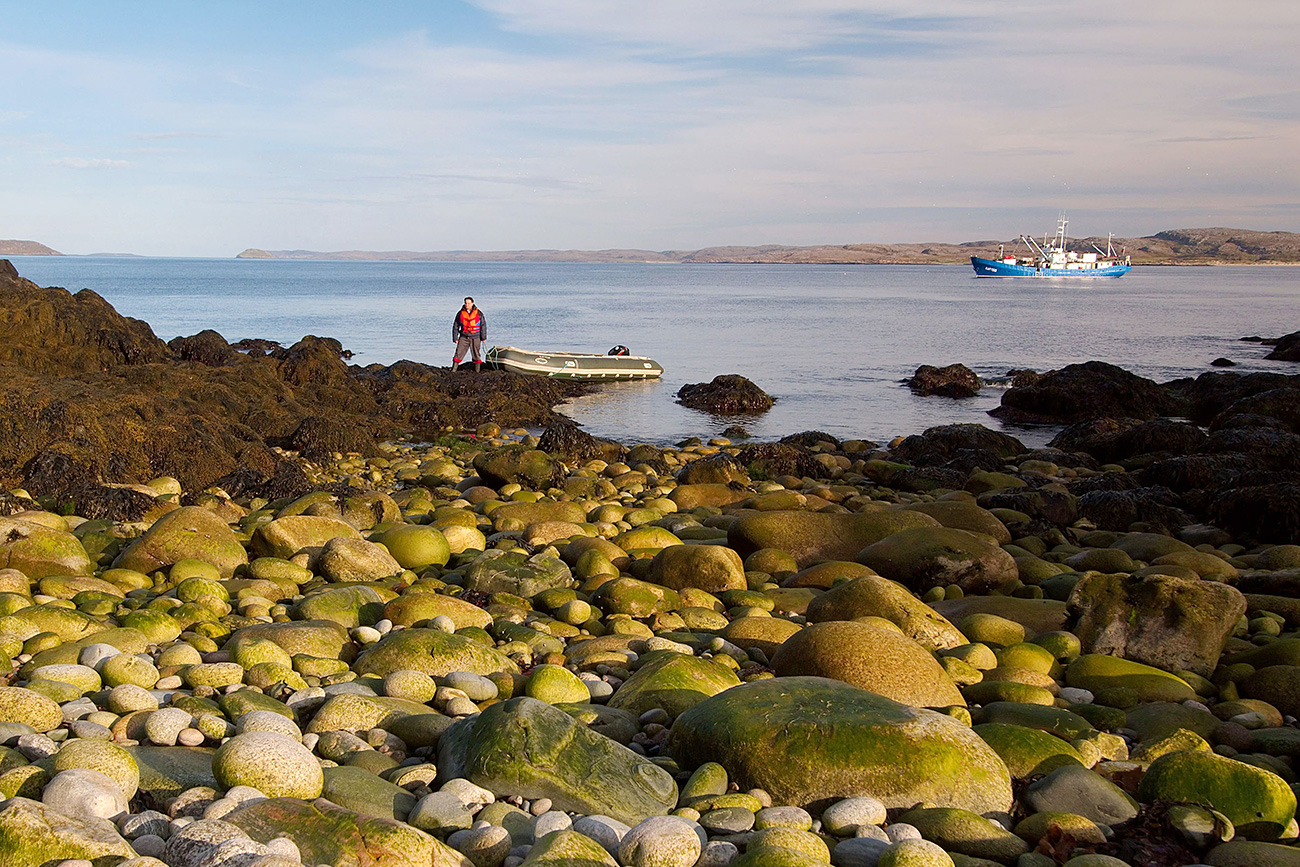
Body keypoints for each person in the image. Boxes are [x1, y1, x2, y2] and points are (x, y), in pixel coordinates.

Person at [451, 296, 487, 372]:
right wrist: (455, 337)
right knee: (458, 353)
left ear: (472, 303)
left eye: (469, 303)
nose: (467, 305)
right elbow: (456, 325)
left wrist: (483, 338)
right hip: (464, 337)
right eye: (466, 303)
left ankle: (477, 371)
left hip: (475, 337)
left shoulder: (479, 313)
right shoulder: (460, 313)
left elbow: (483, 326)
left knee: (476, 355)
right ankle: (453, 370)